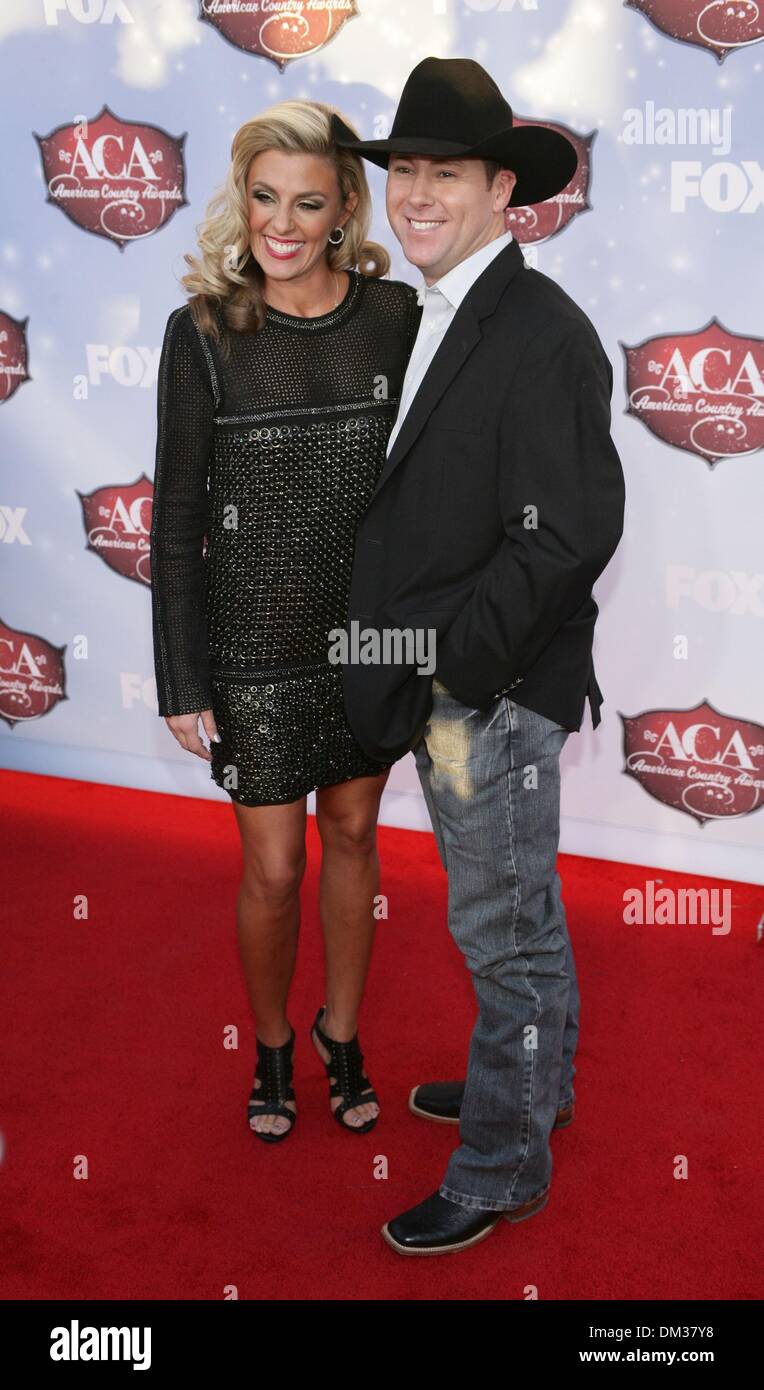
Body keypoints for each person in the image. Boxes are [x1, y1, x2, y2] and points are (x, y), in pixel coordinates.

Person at [334, 58, 626, 1253]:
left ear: (504, 188)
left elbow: (565, 533)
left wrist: (456, 667)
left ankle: (504, 1165)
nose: (413, 194)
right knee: (520, 914)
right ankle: (535, 1087)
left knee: (498, 931)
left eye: (442, 173)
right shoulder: (432, 310)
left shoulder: (541, 333)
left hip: (488, 689)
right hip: (450, 671)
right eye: (402, 170)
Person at [149, 100, 420, 1143]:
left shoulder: (396, 318)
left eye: (309, 201)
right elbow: (175, 515)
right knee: (273, 866)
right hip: (252, 637)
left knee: (353, 832)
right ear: (241, 195)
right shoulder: (207, 329)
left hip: (366, 633)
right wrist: (183, 677)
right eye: (265, 197)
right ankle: (268, 1045)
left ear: (346, 205)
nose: (283, 222)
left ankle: (337, 1033)